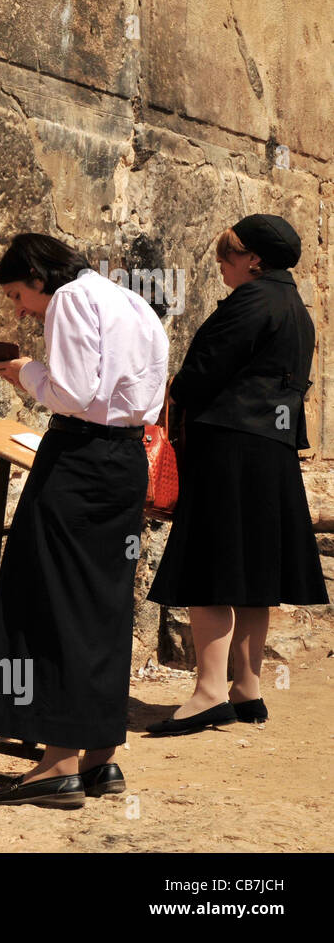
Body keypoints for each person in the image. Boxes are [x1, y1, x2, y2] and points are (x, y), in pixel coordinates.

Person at [0, 233, 169, 808]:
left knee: (49, 596)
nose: (19, 308)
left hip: (79, 459)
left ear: (37, 276)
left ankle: (56, 763)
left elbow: (73, 391)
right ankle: (99, 759)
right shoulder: (132, 302)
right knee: (102, 602)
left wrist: (23, 371)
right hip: (126, 459)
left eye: (16, 294)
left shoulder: (69, 300)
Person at [144, 214, 328, 734]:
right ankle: (247, 689)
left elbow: (203, 373)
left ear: (254, 260)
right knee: (253, 572)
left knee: (212, 566)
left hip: (230, 446)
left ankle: (207, 693)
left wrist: (173, 396)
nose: (221, 264)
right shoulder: (296, 309)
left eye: (228, 255)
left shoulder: (251, 301)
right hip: (270, 449)